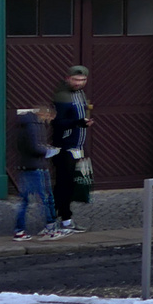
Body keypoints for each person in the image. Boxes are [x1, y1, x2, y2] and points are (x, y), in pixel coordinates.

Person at [50, 66, 93, 234]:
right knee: (63, 185)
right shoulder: (62, 96)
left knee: (70, 184)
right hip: (64, 148)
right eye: (76, 80)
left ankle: (61, 217)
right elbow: (57, 122)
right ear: (67, 78)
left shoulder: (80, 94)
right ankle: (61, 220)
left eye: (82, 80)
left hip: (77, 146)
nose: (79, 83)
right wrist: (78, 123)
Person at [11, 98, 60, 241]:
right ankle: (49, 228)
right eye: (50, 118)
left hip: (28, 166)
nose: (49, 122)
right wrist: (48, 151)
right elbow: (34, 147)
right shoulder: (33, 124)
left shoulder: (26, 123)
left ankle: (20, 231)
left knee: (26, 199)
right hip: (35, 167)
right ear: (46, 114)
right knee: (43, 199)